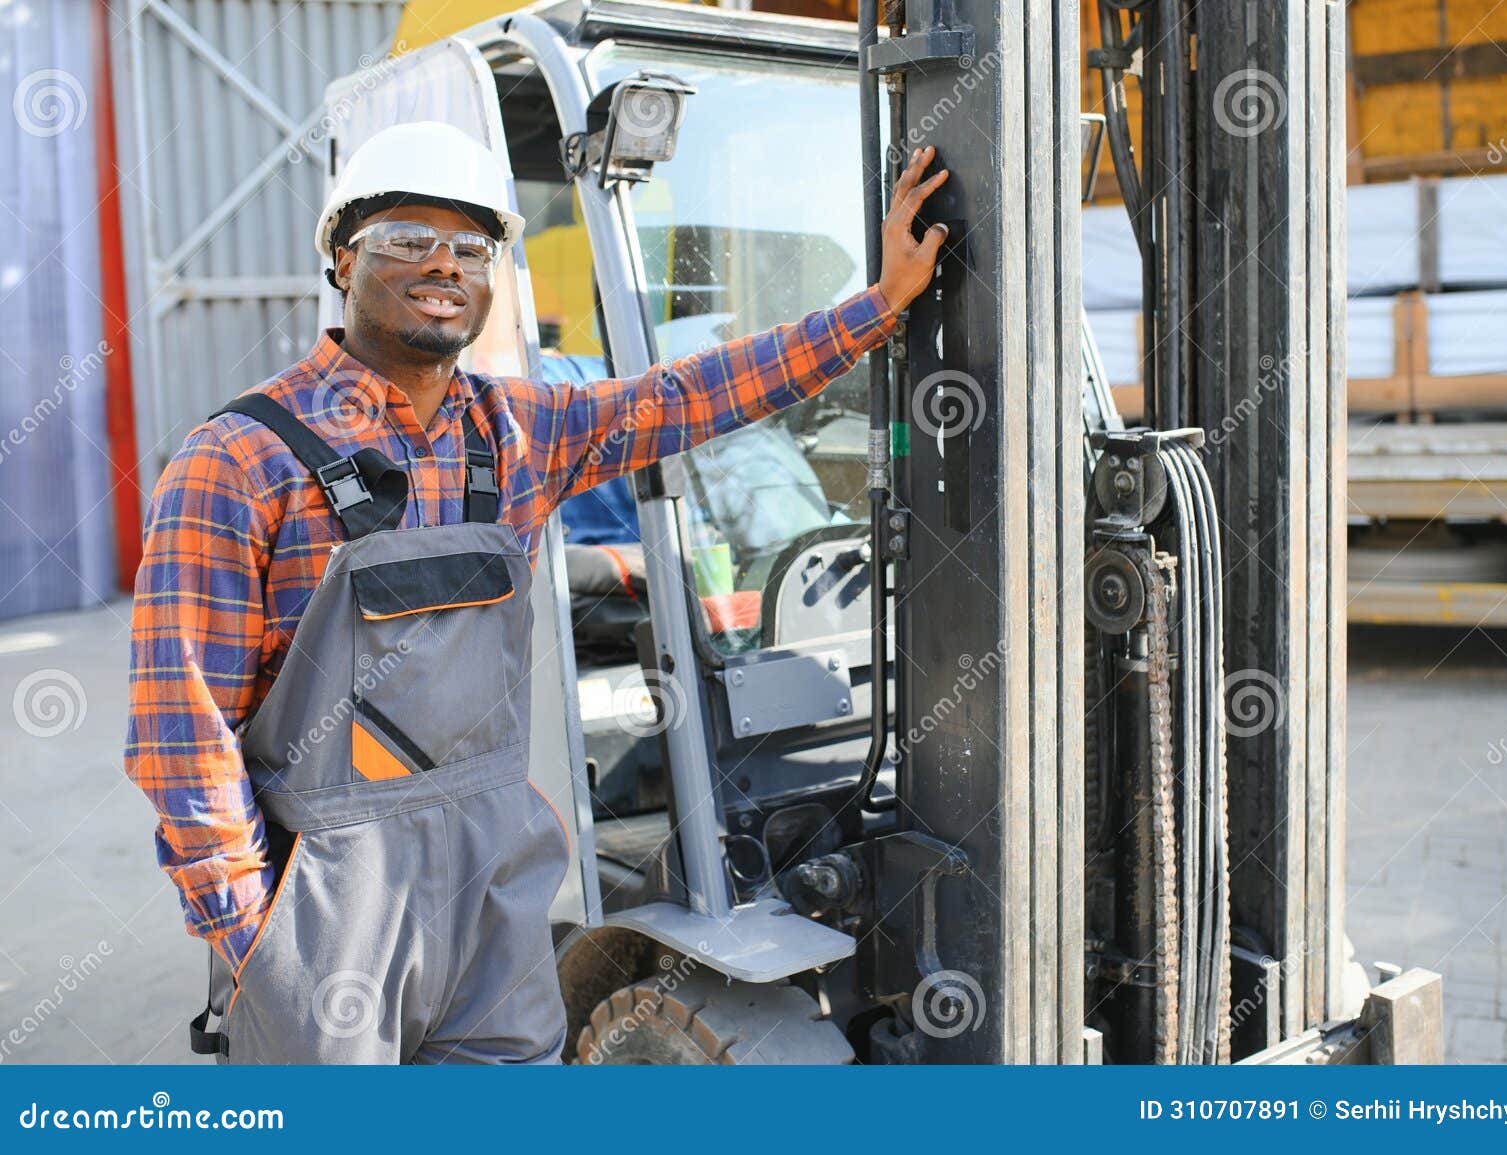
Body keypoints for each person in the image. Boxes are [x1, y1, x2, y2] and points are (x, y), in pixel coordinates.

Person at [123, 120, 948, 1064]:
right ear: (344, 260)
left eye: (470, 247)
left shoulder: (515, 430)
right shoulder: (238, 459)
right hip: (326, 909)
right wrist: (256, 944)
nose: (443, 263)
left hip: (493, 891)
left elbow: (687, 396)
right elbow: (180, 733)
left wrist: (879, 304)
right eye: (406, 238)